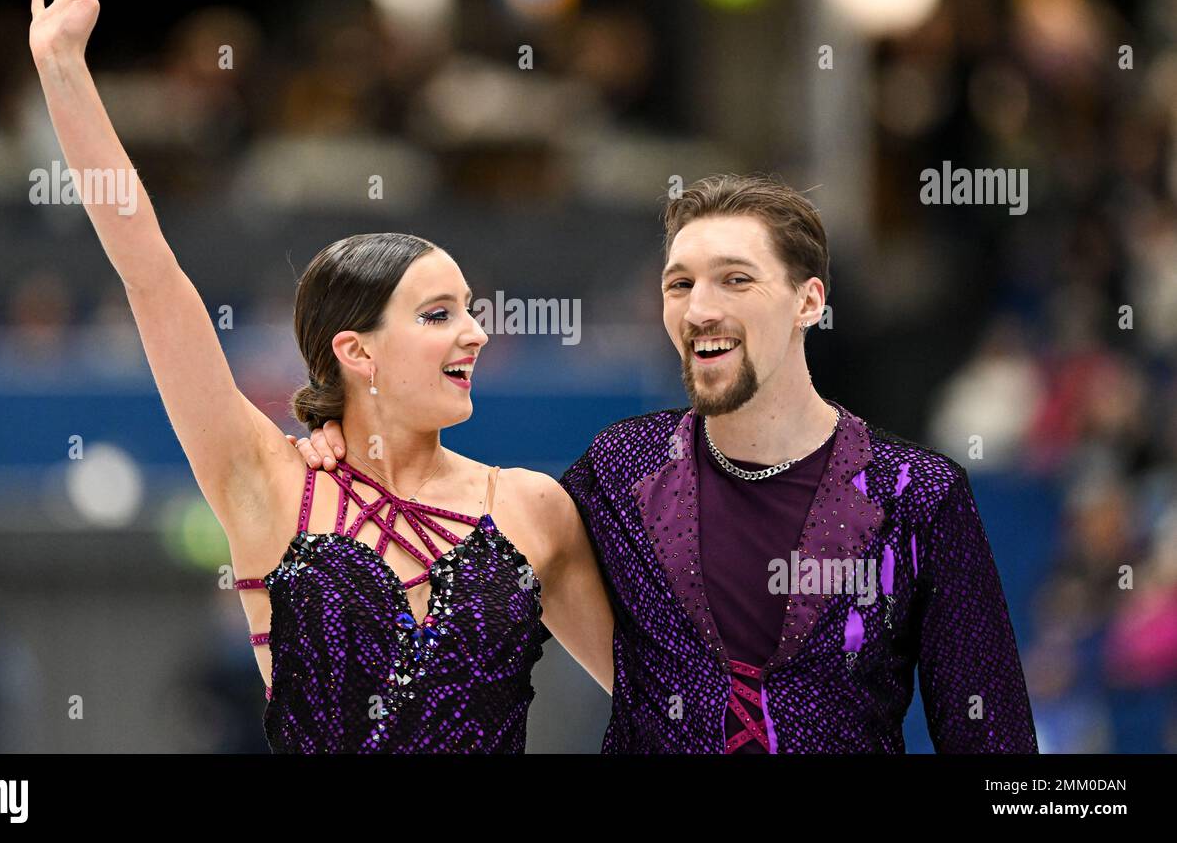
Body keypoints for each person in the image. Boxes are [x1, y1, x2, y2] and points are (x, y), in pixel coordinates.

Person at [28, 0, 613, 753]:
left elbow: (667, 701)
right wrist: (62, 68)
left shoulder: (533, 508)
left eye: (470, 311)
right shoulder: (265, 484)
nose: (476, 331)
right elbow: (151, 275)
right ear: (357, 352)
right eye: (439, 314)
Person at [298, 174, 1039, 753]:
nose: (699, 309)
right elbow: (458, 533)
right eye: (679, 283)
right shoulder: (619, 473)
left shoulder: (919, 496)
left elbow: (995, 743)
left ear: (809, 301)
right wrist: (348, 439)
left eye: (736, 280)